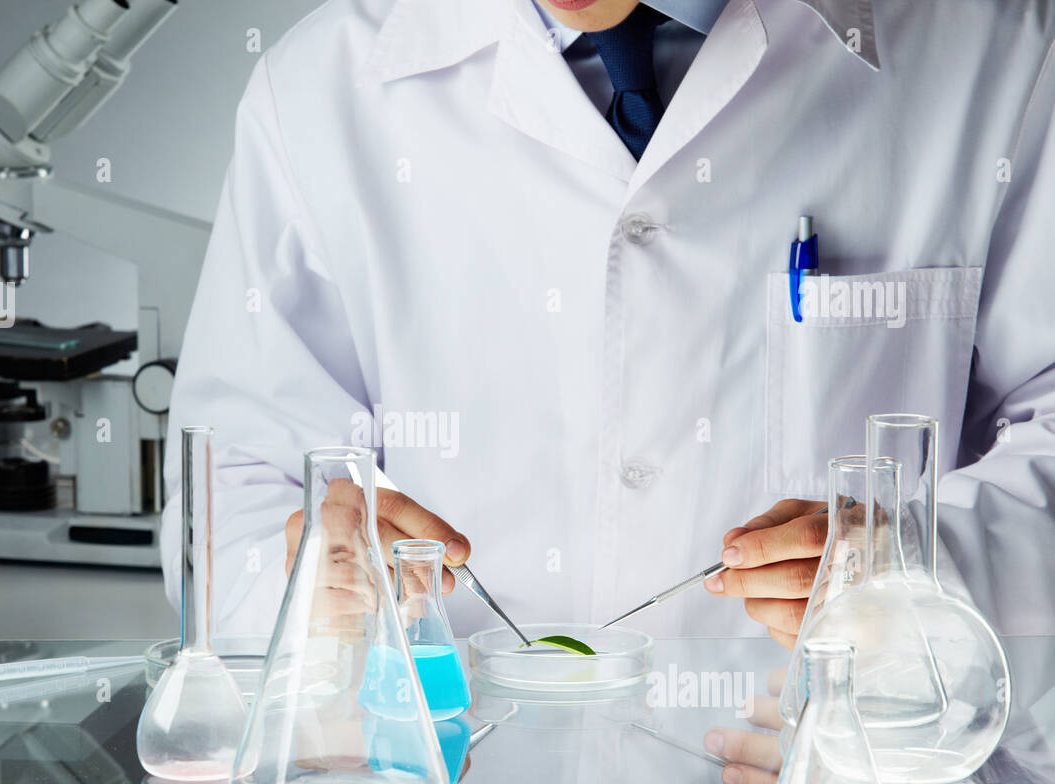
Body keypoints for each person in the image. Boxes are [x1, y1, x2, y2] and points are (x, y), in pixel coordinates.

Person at [163, 0, 1055, 659]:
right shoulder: (323, 88)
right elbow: (231, 494)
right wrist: (307, 579)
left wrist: (920, 563)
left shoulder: (996, 52)